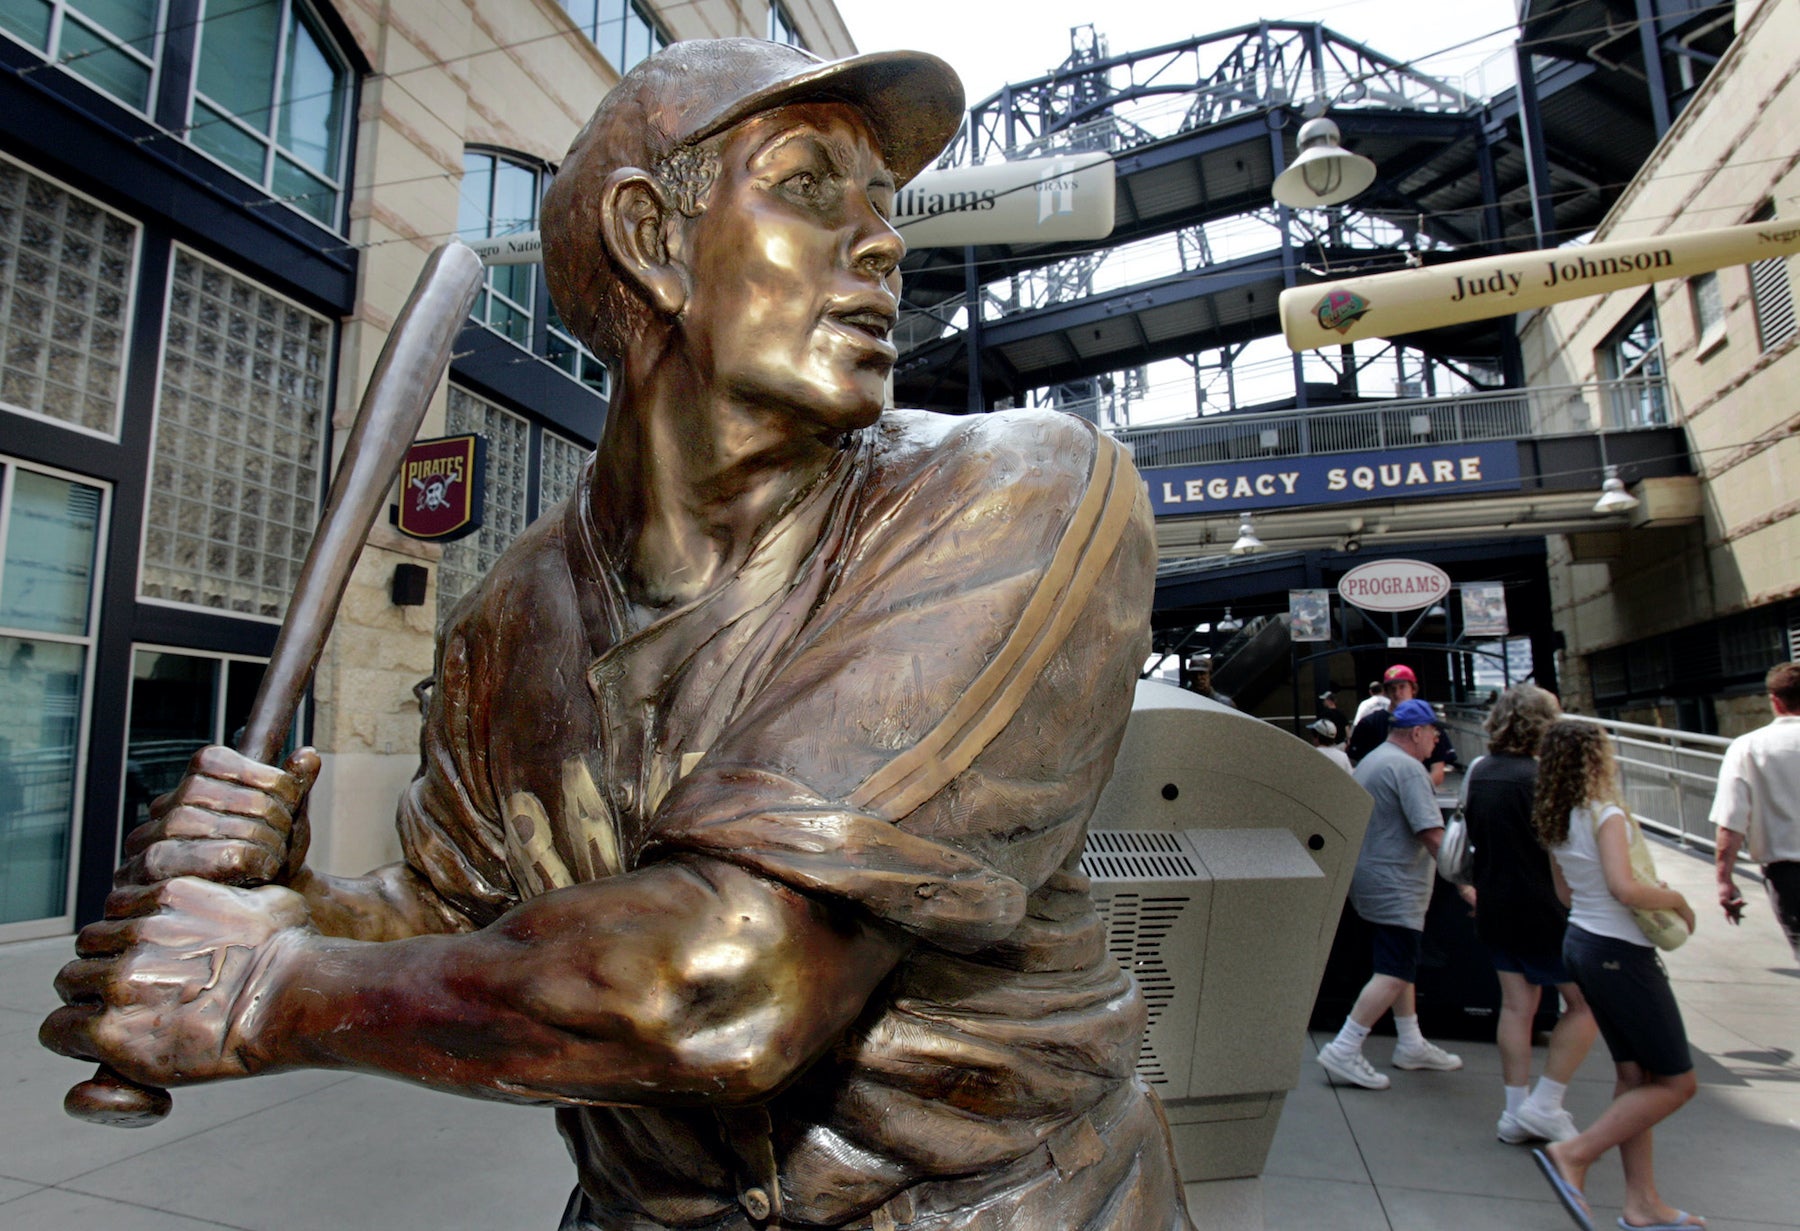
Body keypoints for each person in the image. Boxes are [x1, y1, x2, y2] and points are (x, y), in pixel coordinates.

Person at [41, 40, 1191, 1231]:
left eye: (883, 203)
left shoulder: (1018, 492)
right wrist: (282, 904)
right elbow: (455, 911)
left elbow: (729, 985)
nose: (883, 242)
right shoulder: (513, 614)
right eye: (810, 186)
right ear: (651, 240)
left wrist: (272, 985)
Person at [1530, 721, 1702, 1231]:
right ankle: (1576, 1154)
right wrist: (1676, 898)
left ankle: (1642, 1204)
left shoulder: (1557, 818)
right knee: (1677, 1082)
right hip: (1620, 953)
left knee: (1634, 1076)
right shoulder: (1606, 814)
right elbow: (1625, 889)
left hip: (1581, 944)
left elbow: (1565, 895)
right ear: (1596, 760)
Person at [1464, 685, 1597, 1146]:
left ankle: (1514, 1111)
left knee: (1517, 1008)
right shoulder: (1545, 778)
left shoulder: (1479, 771)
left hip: (1496, 904)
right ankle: (1547, 1102)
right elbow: (1565, 850)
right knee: (1584, 1004)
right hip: (1549, 908)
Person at [1317, 698, 1464, 1089]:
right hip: (1397, 884)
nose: (1437, 740)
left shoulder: (1375, 760)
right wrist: (1467, 883)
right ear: (1417, 733)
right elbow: (1432, 834)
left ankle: (1411, 1041)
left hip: (1370, 877)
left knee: (1399, 966)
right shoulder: (1408, 769)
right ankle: (1346, 1046)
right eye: (1434, 732)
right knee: (1395, 968)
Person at [1709, 661, 1800, 960]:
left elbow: (1731, 822)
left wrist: (1724, 879)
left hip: (1789, 876)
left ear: (1774, 700)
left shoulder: (1747, 747)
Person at [1347, 664, 1457, 786]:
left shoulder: (1429, 723)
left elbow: (1437, 770)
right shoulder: (1369, 723)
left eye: (1402, 687)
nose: (1397, 693)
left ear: (1413, 689)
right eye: (1392, 689)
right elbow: (1357, 765)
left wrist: (1417, 790)